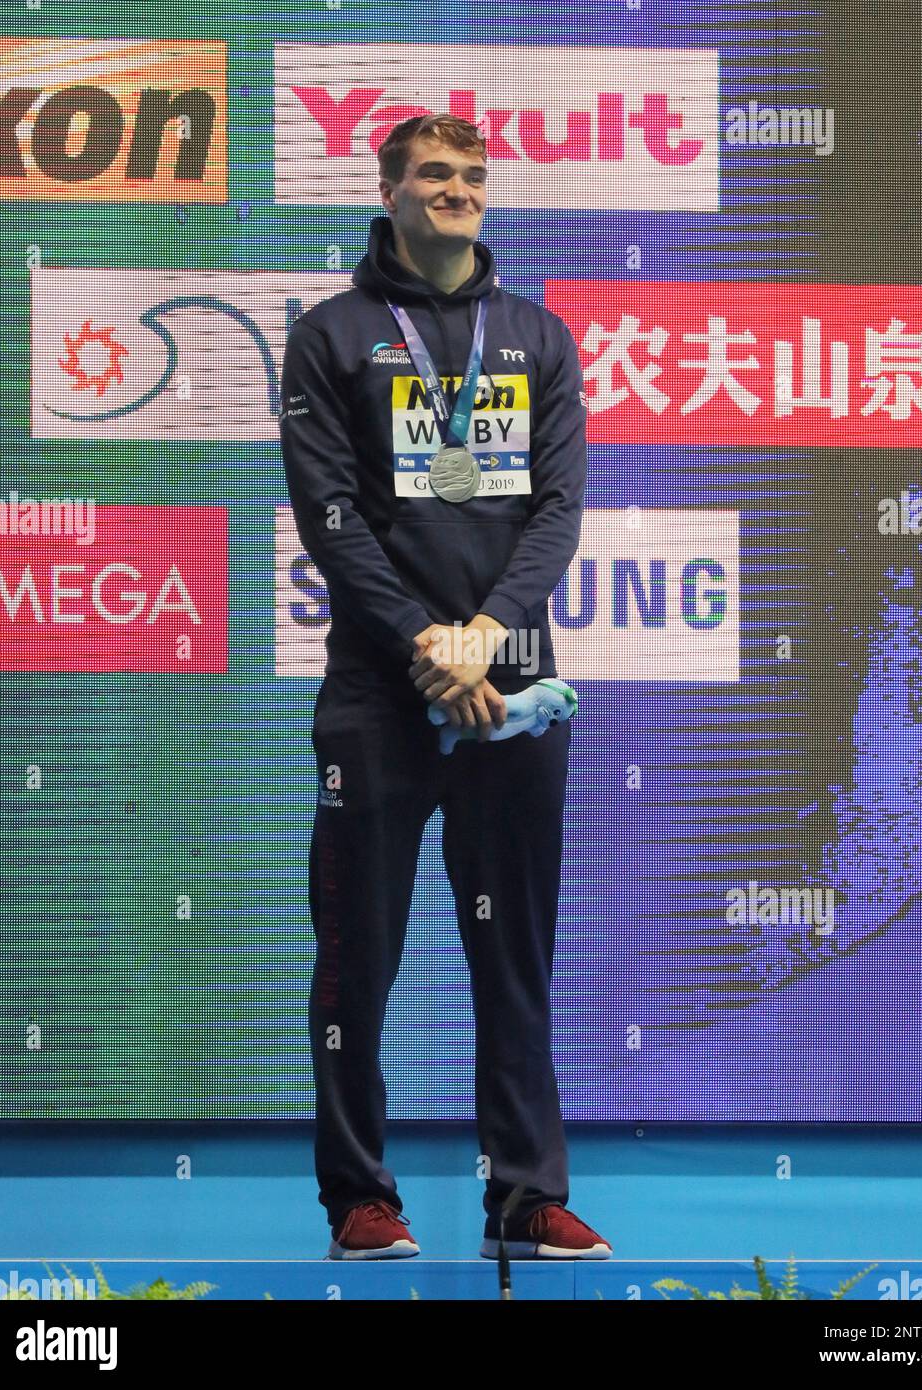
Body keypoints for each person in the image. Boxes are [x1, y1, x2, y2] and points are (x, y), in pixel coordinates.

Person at [278, 112, 611, 1261]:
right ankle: (360, 1198)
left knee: (512, 953)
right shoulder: (332, 335)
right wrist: (429, 639)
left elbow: (556, 513)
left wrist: (485, 635)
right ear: (390, 189)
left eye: (473, 175)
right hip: (379, 690)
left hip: (514, 687)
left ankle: (526, 1195)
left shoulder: (538, 337)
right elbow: (332, 520)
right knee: (355, 957)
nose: (458, 190)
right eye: (435, 174)